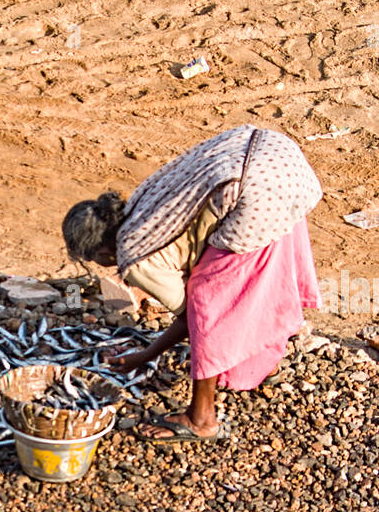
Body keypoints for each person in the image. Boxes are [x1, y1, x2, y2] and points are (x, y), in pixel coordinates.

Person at [62, 125, 323, 442]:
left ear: (103, 251)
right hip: (275, 156)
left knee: (208, 300)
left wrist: (146, 354)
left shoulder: (133, 256)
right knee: (244, 280)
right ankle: (265, 364)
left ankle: (201, 417)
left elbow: (193, 318)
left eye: (94, 260)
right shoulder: (137, 204)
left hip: (257, 195)